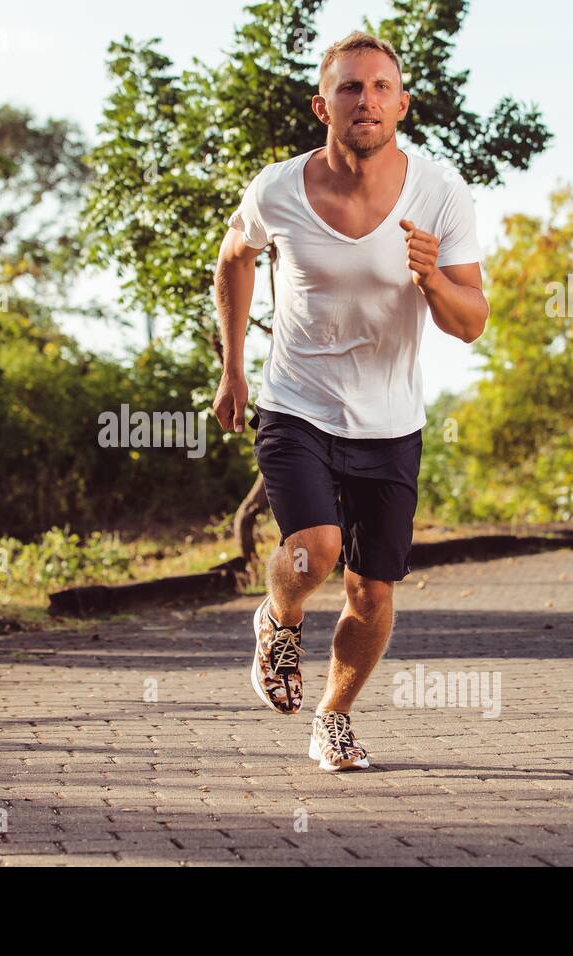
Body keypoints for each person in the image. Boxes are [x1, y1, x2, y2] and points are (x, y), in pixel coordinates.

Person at [211, 31, 489, 771]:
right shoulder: (276, 188)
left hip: (391, 422)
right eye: (348, 88)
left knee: (371, 592)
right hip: (296, 404)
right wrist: (235, 369)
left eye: (378, 88)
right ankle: (280, 615)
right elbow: (234, 259)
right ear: (321, 105)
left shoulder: (440, 191)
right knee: (317, 550)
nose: (364, 100)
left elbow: (471, 322)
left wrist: (431, 280)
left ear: (401, 103)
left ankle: (332, 716)